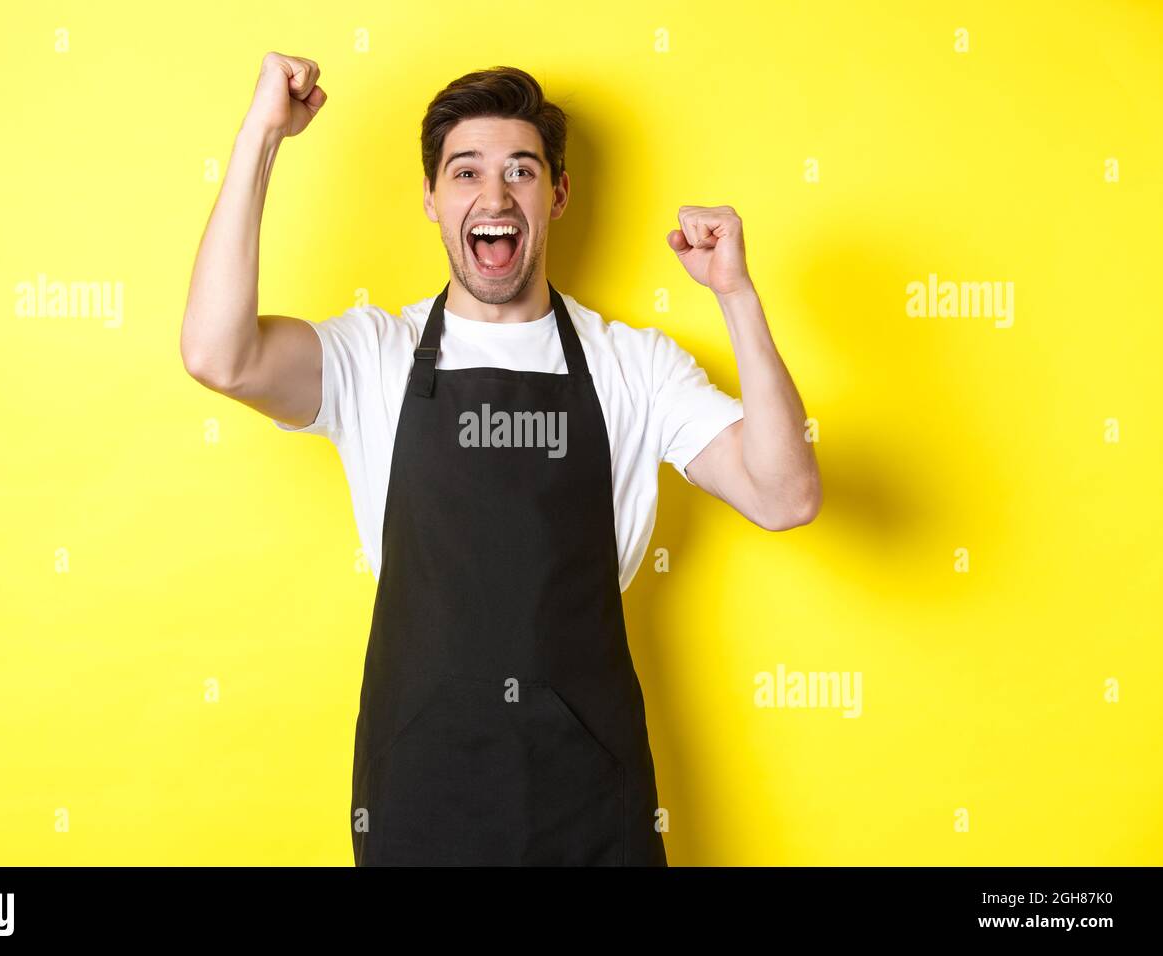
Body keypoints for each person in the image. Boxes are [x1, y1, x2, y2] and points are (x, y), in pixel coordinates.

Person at [180, 53, 822, 866]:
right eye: (466, 172)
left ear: (556, 195)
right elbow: (216, 354)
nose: (494, 196)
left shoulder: (635, 365)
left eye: (522, 170)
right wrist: (263, 134)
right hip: (418, 792)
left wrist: (736, 295)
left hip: (591, 795)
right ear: (431, 199)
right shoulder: (374, 355)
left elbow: (785, 495)